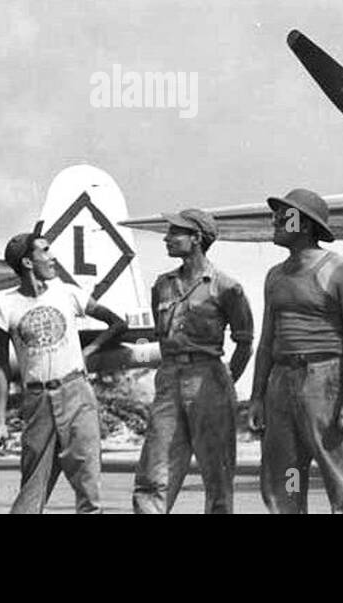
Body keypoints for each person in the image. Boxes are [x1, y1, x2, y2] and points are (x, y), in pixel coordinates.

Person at [0, 223, 127, 513]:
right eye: (45, 251)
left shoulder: (68, 293)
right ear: (28, 262)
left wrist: (90, 350)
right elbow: (1, 365)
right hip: (37, 400)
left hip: (75, 393)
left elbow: (117, 323)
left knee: (88, 484)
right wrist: (0, 421)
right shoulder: (5, 306)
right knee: (32, 487)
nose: (52, 257)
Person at [249, 188, 343, 514]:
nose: (274, 220)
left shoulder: (341, 271)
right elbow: (265, 341)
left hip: (326, 382)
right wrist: (258, 395)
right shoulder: (274, 276)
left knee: (342, 477)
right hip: (281, 383)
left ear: (305, 225)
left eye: (283, 215)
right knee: (286, 477)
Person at [133, 208, 253, 514]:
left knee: (217, 474)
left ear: (197, 238)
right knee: (153, 469)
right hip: (169, 377)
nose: (166, 238)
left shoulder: (227, 287)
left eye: (175, 232)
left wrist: (225, 382)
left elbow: (244, 342)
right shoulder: (162, 285)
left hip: (209, 378)